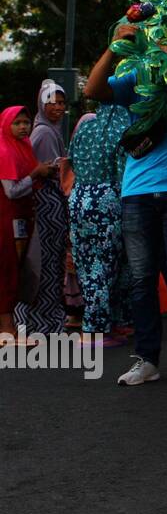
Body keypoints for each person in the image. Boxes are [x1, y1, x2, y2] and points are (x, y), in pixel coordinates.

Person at [85, 24, 167, 385]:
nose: (164, 43)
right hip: (137, 192)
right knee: (142, 279)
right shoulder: (136, 77)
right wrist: (116, 46)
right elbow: (93, 90)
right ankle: (147, 359)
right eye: (157, 35)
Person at [67, 107, 132, 344]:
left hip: (80, 196)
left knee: (86, 264)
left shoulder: (84, 126)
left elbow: (71, 159)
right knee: (105, 266)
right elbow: (124, 172)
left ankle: (98, 324)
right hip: (107, 199)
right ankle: (96, 329)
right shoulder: (120, 129)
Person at [19, 81, 70, 334]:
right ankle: (44, 320)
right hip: (47, 205)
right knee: (48, 263)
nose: (58, 108)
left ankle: (43, 319)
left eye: (62, 103)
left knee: (49, 262)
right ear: (42, 103)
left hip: (47, 205)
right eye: (53, 102)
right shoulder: (45, 133)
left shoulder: (49, 130)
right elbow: (48, 172)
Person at [1, 107, 51, 345]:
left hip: (20, 217)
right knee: (7, 270)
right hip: (6, 218)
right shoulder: (4, 150)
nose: (23, 127)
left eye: (26, 122)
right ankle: (6, 329)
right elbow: (12, 190)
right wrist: (36, 173)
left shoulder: (21, 147)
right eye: (17, 123)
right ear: (6, 125)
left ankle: (9, 328)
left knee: (17, 270)